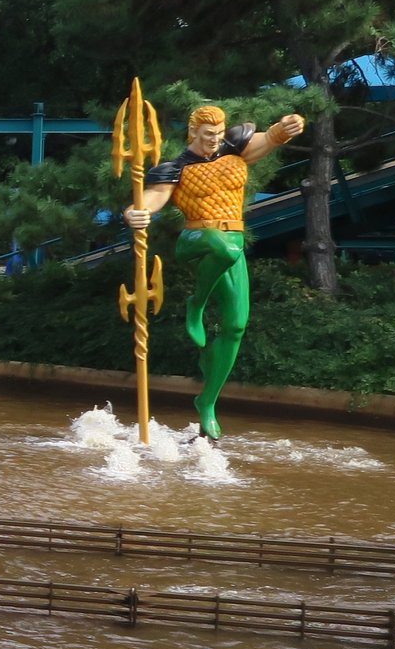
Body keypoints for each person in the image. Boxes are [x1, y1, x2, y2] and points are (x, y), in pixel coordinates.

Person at [125, 103, 305, 437]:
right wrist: (136, 213)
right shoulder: (176, 168)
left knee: (236, 325)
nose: (214, 140)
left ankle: (207, 402)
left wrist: (288, 126)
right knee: (220, 246)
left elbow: (271, 139)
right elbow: (152, 197)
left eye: (219, 134)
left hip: (232, 238)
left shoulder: (235, 150)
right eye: (208, 134)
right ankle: (197, 304)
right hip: (196, 236)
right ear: (193, 132)